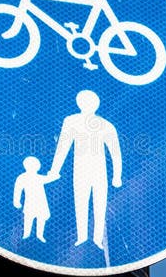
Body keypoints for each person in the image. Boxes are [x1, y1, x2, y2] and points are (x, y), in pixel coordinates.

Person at [48, 90, 122, 249]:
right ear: (79, 103)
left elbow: (115, 152)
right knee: (80, 201)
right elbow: (63, 146)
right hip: (80, 169)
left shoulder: (106, 125)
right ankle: (82, 236)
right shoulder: (71, 121)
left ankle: (97, 239)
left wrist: (117, 176)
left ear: (97, 104)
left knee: (99, 203)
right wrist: (55, 170)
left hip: (99, 170)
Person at [13, 156, 52, 242]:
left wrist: (53, 175)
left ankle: (40, 235)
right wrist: (16, 201)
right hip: (29, 202)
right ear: (26, 166)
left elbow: (48, 179)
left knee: (41, 218)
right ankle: (26, 234)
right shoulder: (22, 177)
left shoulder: (39, 177)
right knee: (28, 218)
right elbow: (17, 190)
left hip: (41, 202)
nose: (34, 167)